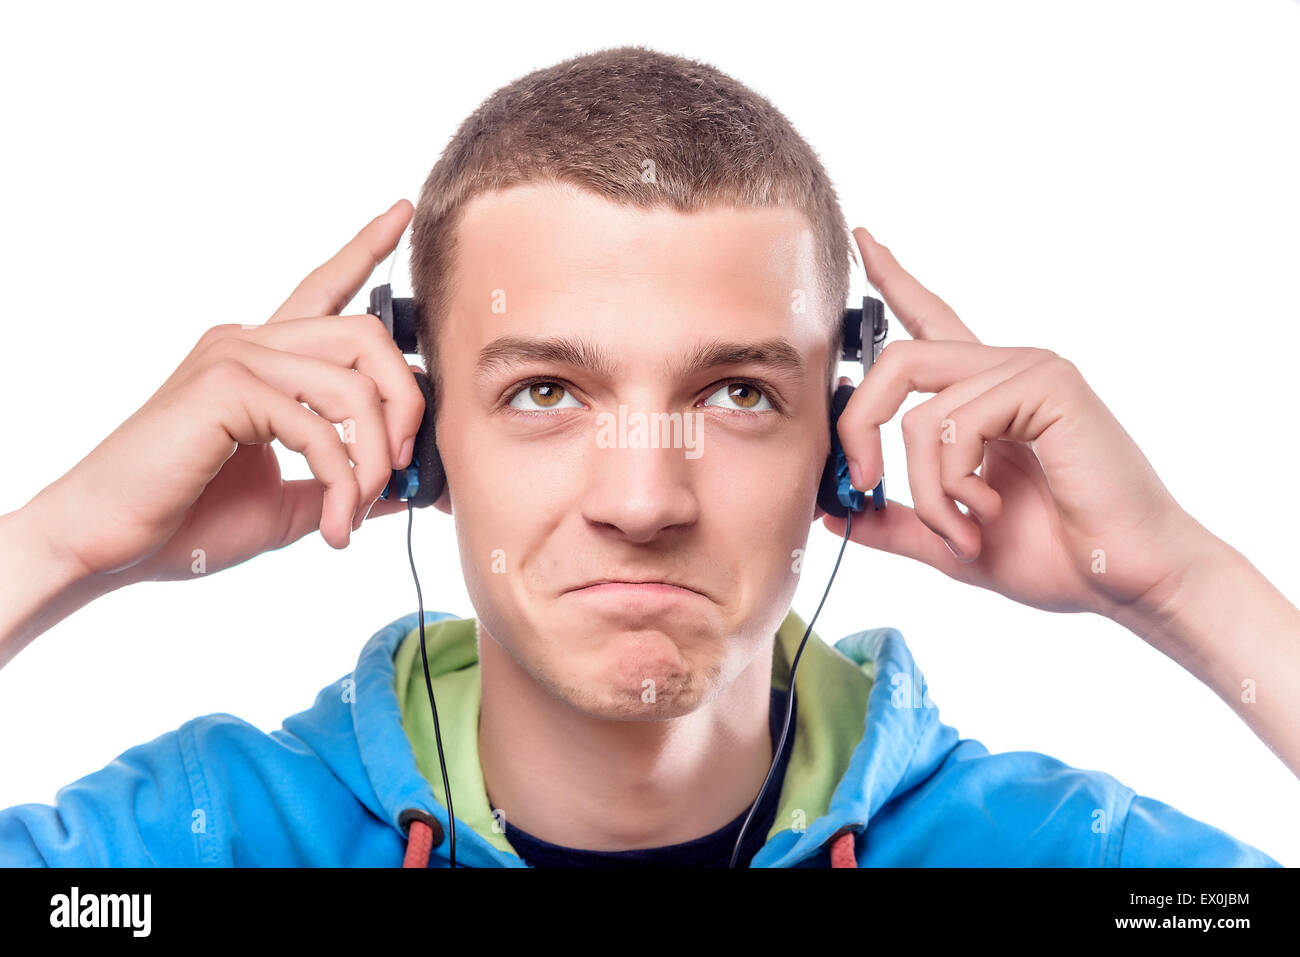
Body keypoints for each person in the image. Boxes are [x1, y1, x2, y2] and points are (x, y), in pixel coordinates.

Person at [0, 45, 1294, 868]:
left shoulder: (1043, 854)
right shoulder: (204, 839)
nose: (641, 499)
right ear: (416, 425)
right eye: (547, 389)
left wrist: (1180, 581)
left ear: (841, 444)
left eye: (735, 391)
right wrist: (63, 543)